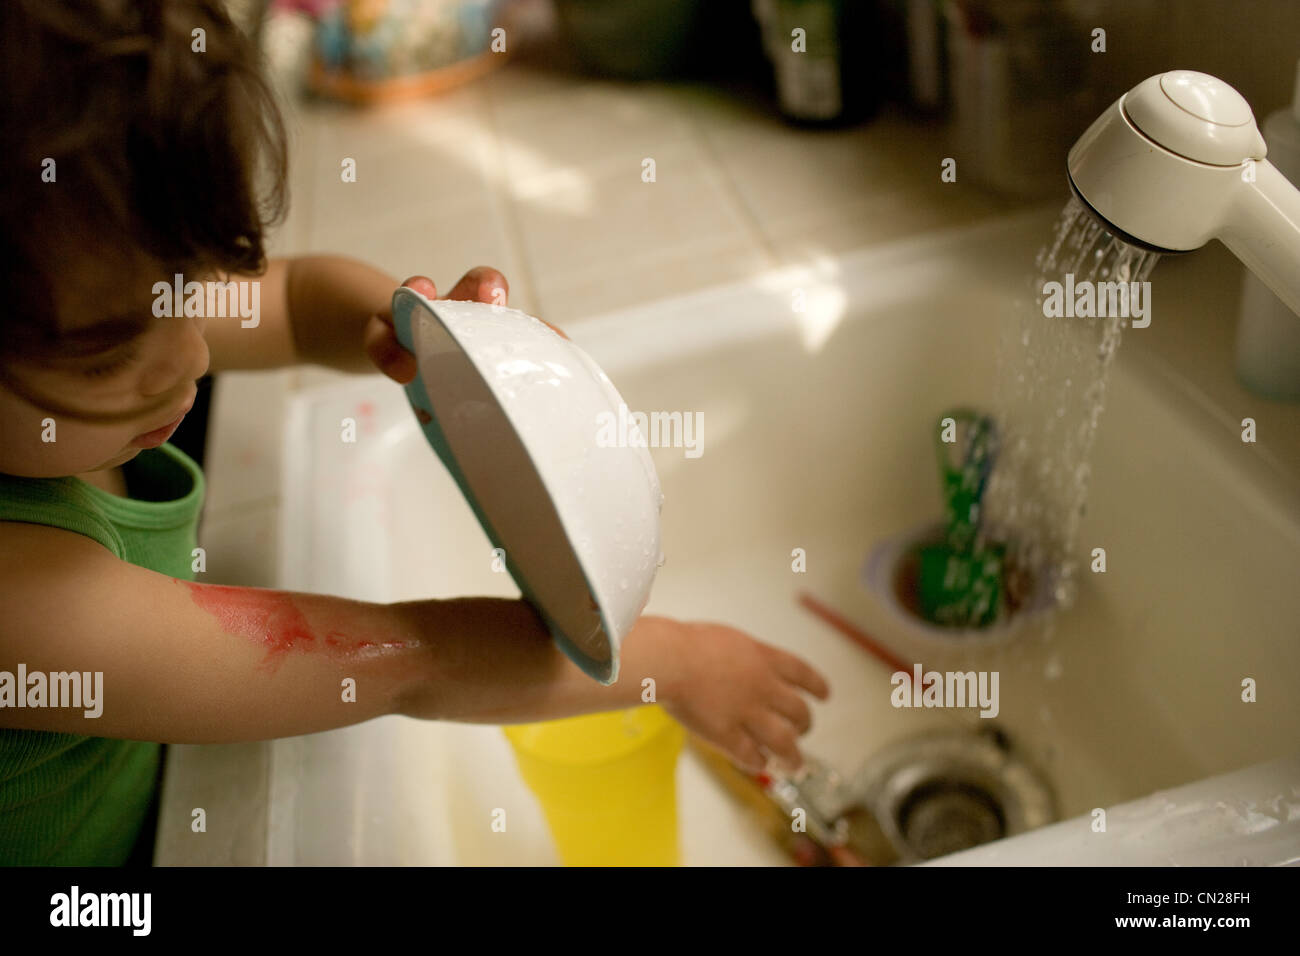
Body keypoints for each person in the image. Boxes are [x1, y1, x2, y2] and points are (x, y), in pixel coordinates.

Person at [0, 0, 830, 865]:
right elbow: (413, 661)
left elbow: (289, 300)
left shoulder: (94, 289)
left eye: (194, 285)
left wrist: (414, 328)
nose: (194, 355)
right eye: (107, 355)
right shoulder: (23, 606)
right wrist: (678, 659)